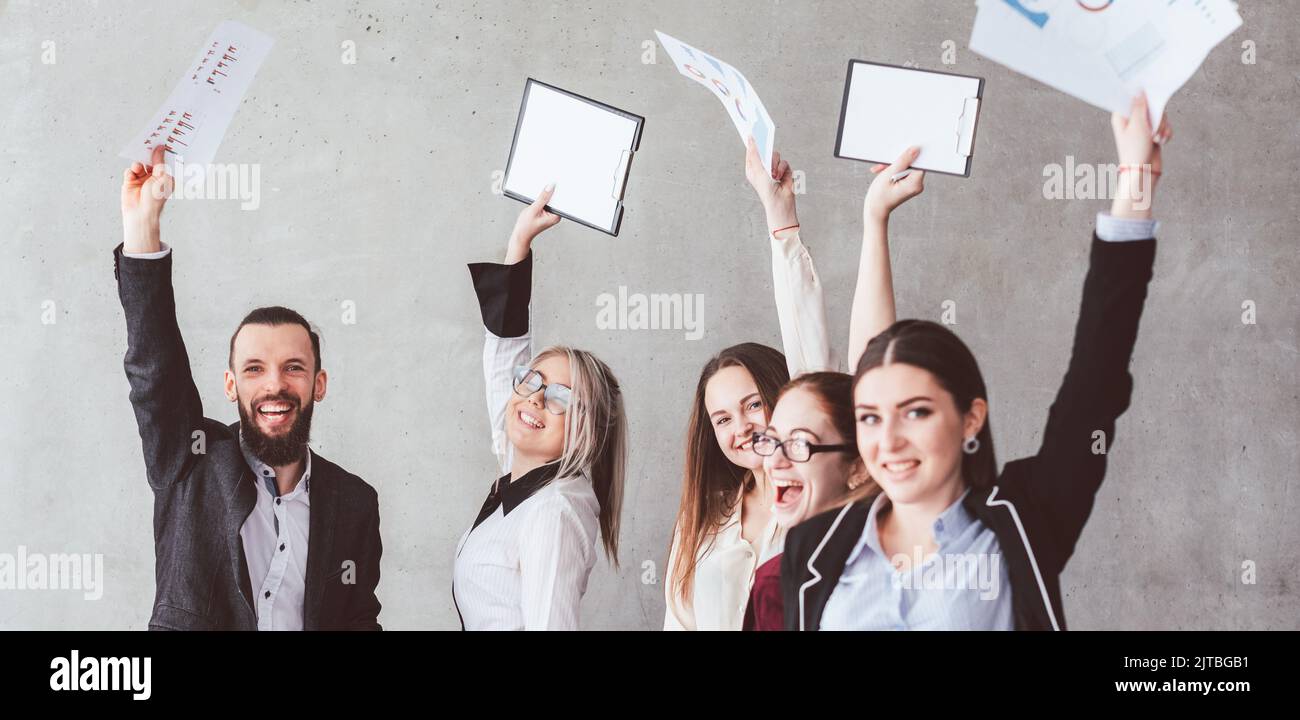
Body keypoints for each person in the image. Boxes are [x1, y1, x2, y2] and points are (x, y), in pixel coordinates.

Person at [782, 94, 1170, 630]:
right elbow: (871, 363)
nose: (888, 440)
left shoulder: (1021, 523)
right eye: (869, 417)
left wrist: (1136, 181)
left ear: (971, 418)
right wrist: (874, 217)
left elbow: (1094, 380)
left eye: (916, 412)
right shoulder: (814, 547)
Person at [116, 145, 382, 630]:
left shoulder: (354, 502)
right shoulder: (189, 461)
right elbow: (155, 373)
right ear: (230, 385)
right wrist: (142, 231)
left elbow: (359, 620)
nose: (275, 385)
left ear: (319, 384)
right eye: (255, 369)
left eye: (293, 368)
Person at [665, 138, 925, 630]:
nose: (741, 428)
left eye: (753, 405)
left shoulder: (818, 492)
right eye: (722, 419)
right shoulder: (703, 520)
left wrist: (782, 221)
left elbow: (838, 371)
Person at [454, 185, 627, 630]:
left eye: (561, 398)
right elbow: (504, 359)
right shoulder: (522, 474)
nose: (535, 398)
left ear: (587, 430)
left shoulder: (554, 510)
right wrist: (520, 242)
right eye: (532, 381)